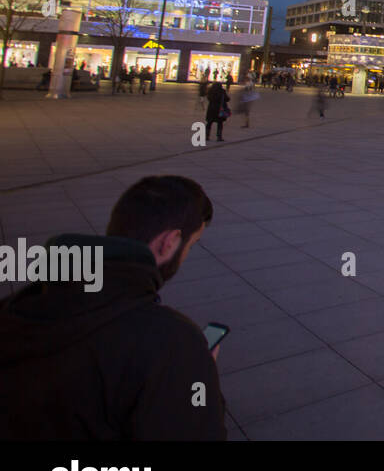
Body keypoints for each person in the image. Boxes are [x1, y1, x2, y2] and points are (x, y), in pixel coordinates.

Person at [0, 176, 226, 440]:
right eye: (190, 245)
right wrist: (196, 372)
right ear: (170, 242)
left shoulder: (15, 308)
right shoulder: (172, 343)